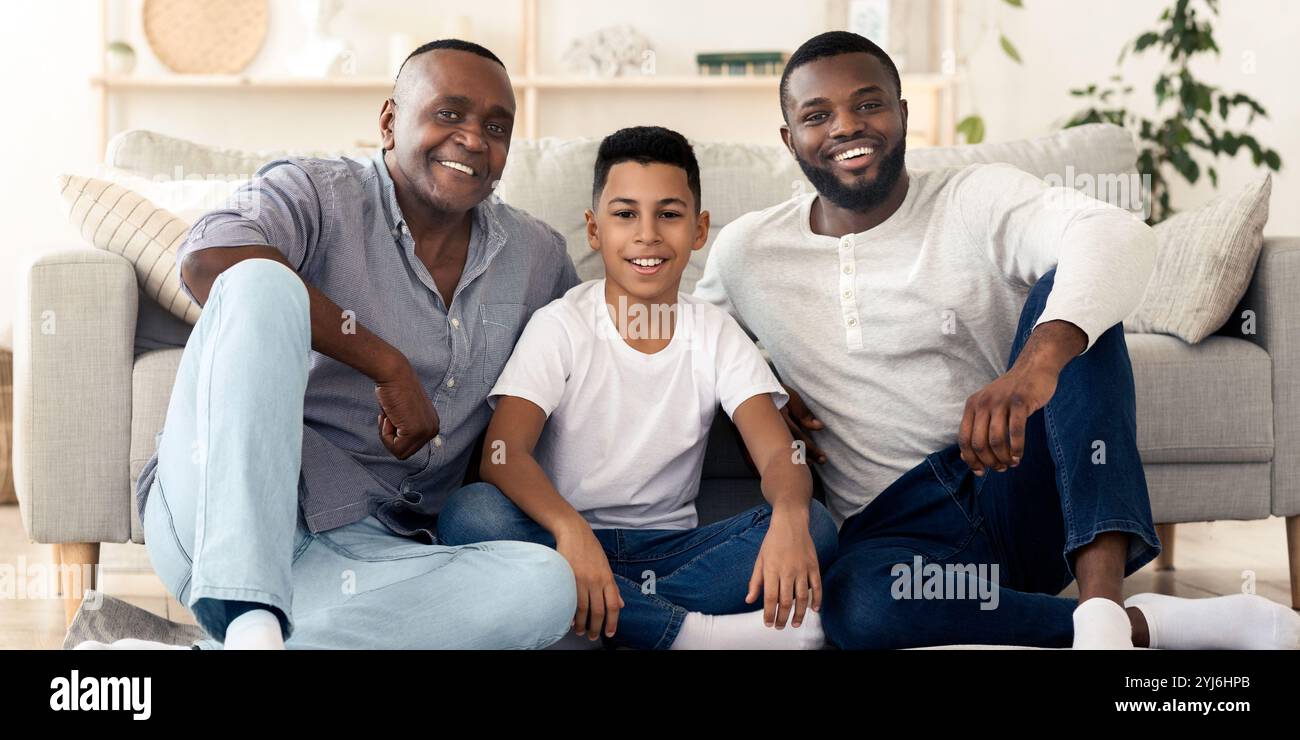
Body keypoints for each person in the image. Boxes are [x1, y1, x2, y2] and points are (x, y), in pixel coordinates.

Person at [694, 31, 1300, 649]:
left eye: (868, 104)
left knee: (1071, 297)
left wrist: (1034, 366)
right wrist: (767, 381)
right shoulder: (748, 251)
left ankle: (1101, 616)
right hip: (896, 532)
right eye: (816, 116)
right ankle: (1142, 626)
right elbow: (692, 349)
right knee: (855, 607)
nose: (846, 127)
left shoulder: (976, 197)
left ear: (903, 113)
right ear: (789, 137)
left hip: (1010, 476)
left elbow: (1115, 234)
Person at [84, 40, 580, 650]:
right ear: (391, 122)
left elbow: (585, 364)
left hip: (371, 555)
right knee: (261, 280)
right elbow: (211, 258)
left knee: (547, 585)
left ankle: (236, 643)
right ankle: (244, 611)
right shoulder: (318, 192)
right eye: (449, 113)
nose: (474, 138)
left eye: (496, 126)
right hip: (224, 519)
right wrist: (387, 365)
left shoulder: (537, 255)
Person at [438, 126, 839, 650]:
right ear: (594, 229)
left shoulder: (714, 330)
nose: (647, 234)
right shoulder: (560, 324)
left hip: (676, 549)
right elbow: (502, 453)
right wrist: (570, 532)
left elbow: (777, 453)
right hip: (563, 540)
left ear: (699, 230)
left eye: (668, 215)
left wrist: (788, 516)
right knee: (470, 515)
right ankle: (692, 633)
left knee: (816, 525)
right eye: (625, 214)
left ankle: (594, 612)